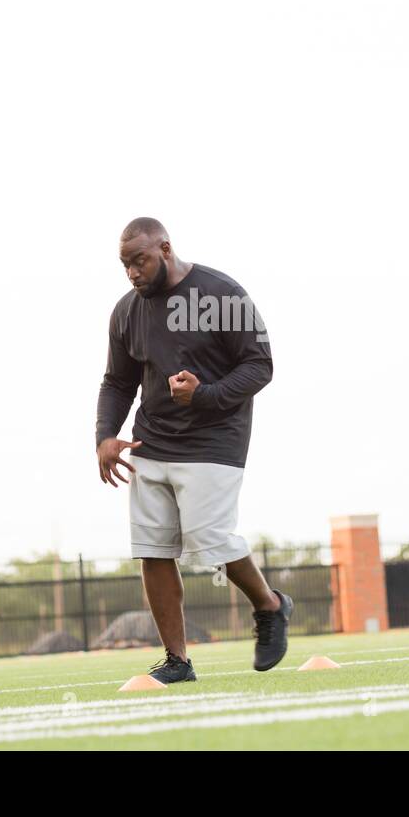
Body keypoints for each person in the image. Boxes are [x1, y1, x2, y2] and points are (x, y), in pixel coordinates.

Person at [96, 216, 291, 681]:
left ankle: (270, 604)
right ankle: (178, 661)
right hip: (151, 441)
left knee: (211, 541)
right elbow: (117, 382)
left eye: (139, 261)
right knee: (153, 549)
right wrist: (105, 435)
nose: (132, 273)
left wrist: (204, 395)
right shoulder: (126, 311)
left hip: (213, 441)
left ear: (165, 248)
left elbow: (260, 365)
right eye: (125, 265)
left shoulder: (221, 294)